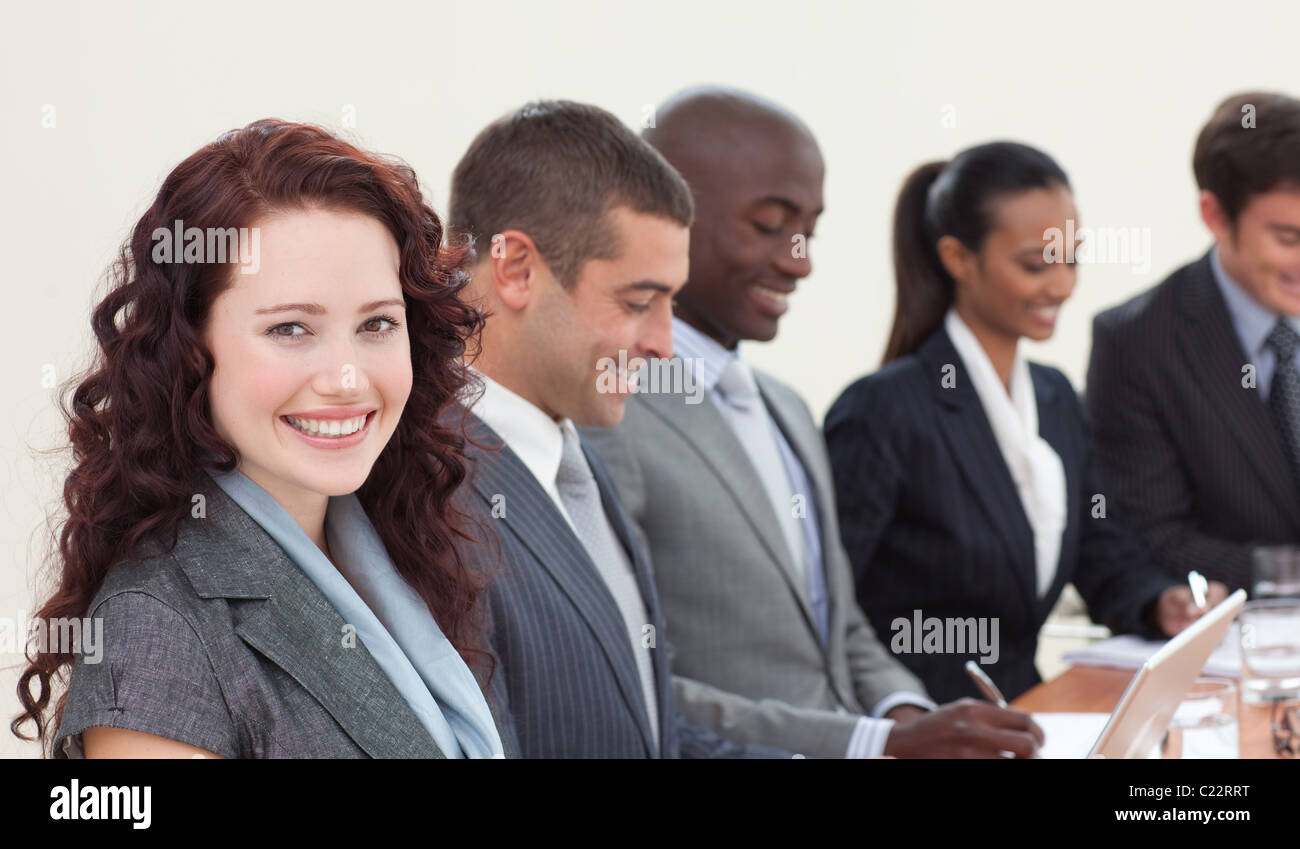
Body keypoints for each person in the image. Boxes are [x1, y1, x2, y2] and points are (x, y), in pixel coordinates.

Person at [12, 119, 508, 758]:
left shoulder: (392, 553)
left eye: (378, 323)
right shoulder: (156, 630)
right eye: (291, 329)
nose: (346, 378)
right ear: (191, 351)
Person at [583, 87, 1046, 758]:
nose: (800, 260)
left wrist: (912, 714)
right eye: (769, 225)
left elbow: (841, 625)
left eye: (808, 231)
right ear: (663, 218)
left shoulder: (788, 407)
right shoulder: (610, 413)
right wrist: (874, 740)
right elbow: (638, 682)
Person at [824, 141, 1228, 703]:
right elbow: (828, 609)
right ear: (958, 258)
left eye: (1072, 260)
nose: (1061, 286)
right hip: (921, 723)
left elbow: (1097, 548)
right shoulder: (883, 412)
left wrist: (1158, 601)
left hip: (1026, 712)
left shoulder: (1053, 395)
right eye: (1036, 264)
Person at [446, 99, 787, 758]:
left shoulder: (574, 448)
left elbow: (645, 726)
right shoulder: (426, 490)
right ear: (515, 268)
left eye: (670, 303)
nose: (664, 344)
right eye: (637, 303)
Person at [1086, 91, 1300, 590]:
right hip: (1239, 639)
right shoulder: (1137, 343)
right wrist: (1284, 572)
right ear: (1215, 216)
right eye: (1287, 239)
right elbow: (1152, 534)